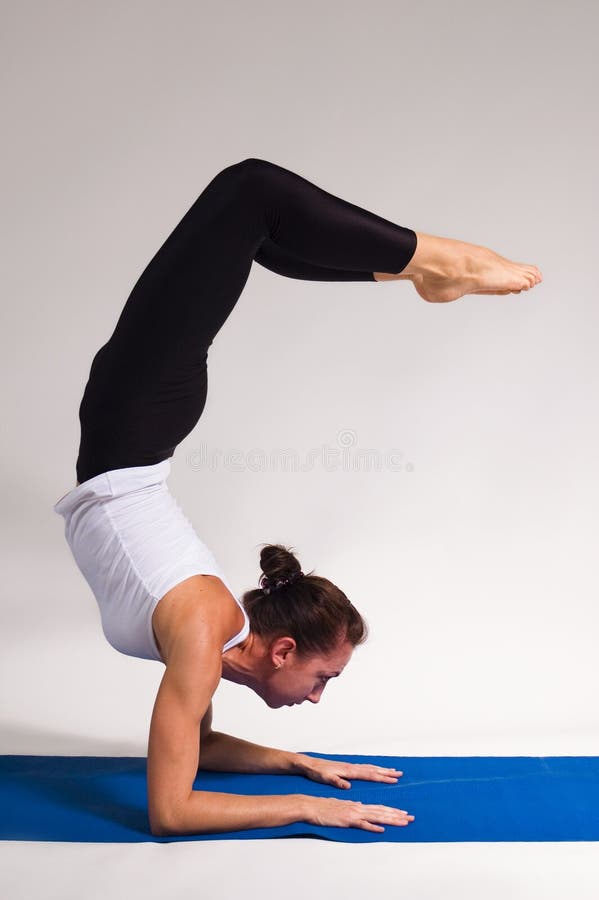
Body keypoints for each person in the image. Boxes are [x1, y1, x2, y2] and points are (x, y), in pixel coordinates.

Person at [53, 157, 542, 838]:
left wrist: (295, 762)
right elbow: (172, 810)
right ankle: (435, 262)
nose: (316, 697)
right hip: (131, 424)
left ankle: (415, 272)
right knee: (249, 192)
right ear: (282, 651)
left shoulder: (205, 642)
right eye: (322, 678)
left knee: (251, 226)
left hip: (130, 426)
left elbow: (198, 751)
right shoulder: (203, 632)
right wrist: (307, 806)